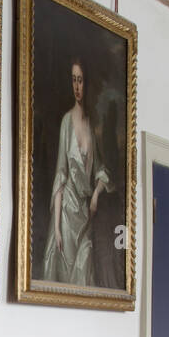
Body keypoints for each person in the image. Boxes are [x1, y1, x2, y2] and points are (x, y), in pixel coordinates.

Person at [43, 55, 110, 285]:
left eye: (80, 80)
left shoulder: (92, 126)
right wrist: (58, 228)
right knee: (66, 278)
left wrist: (96, 195)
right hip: (67, 214)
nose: (77, 86)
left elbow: (101, 170)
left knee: (86, 271)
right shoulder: (65, 122)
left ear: (87, 82)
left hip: (85, 212)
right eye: (73, 80)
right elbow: (61, 175)